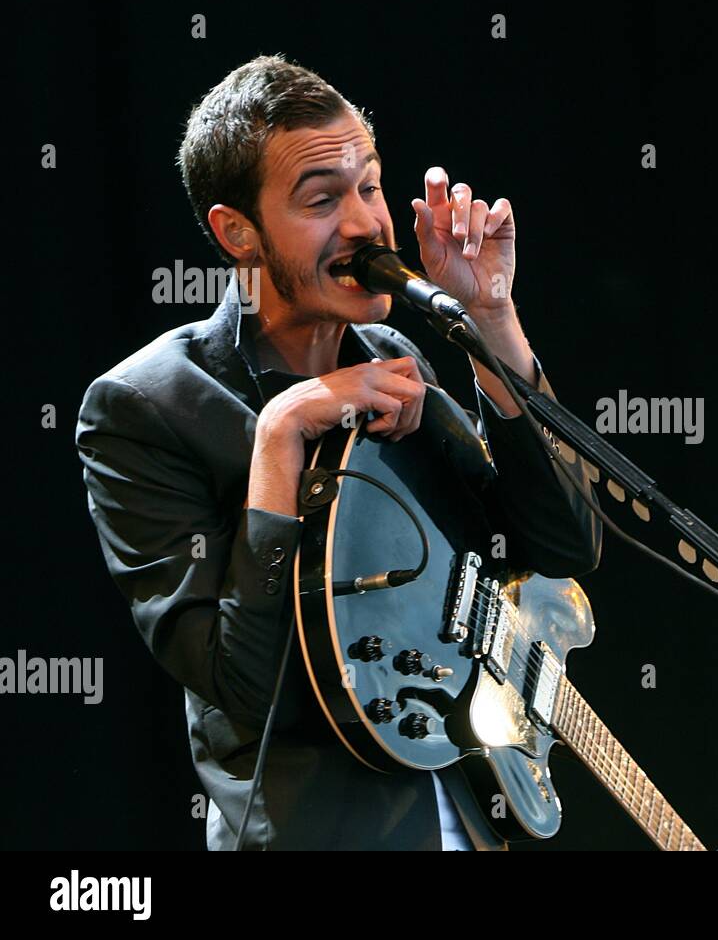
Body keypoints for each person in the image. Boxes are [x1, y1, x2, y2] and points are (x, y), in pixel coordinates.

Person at [75, 55, 601, 850]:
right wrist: (282, 435)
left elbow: (564, 543)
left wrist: (492, 321)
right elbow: (249, 689)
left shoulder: (392, 356)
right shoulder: (144, 407)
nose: (364, 223)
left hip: (462, 816)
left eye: (370, 185)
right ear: (236, 232)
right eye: (323, 199)